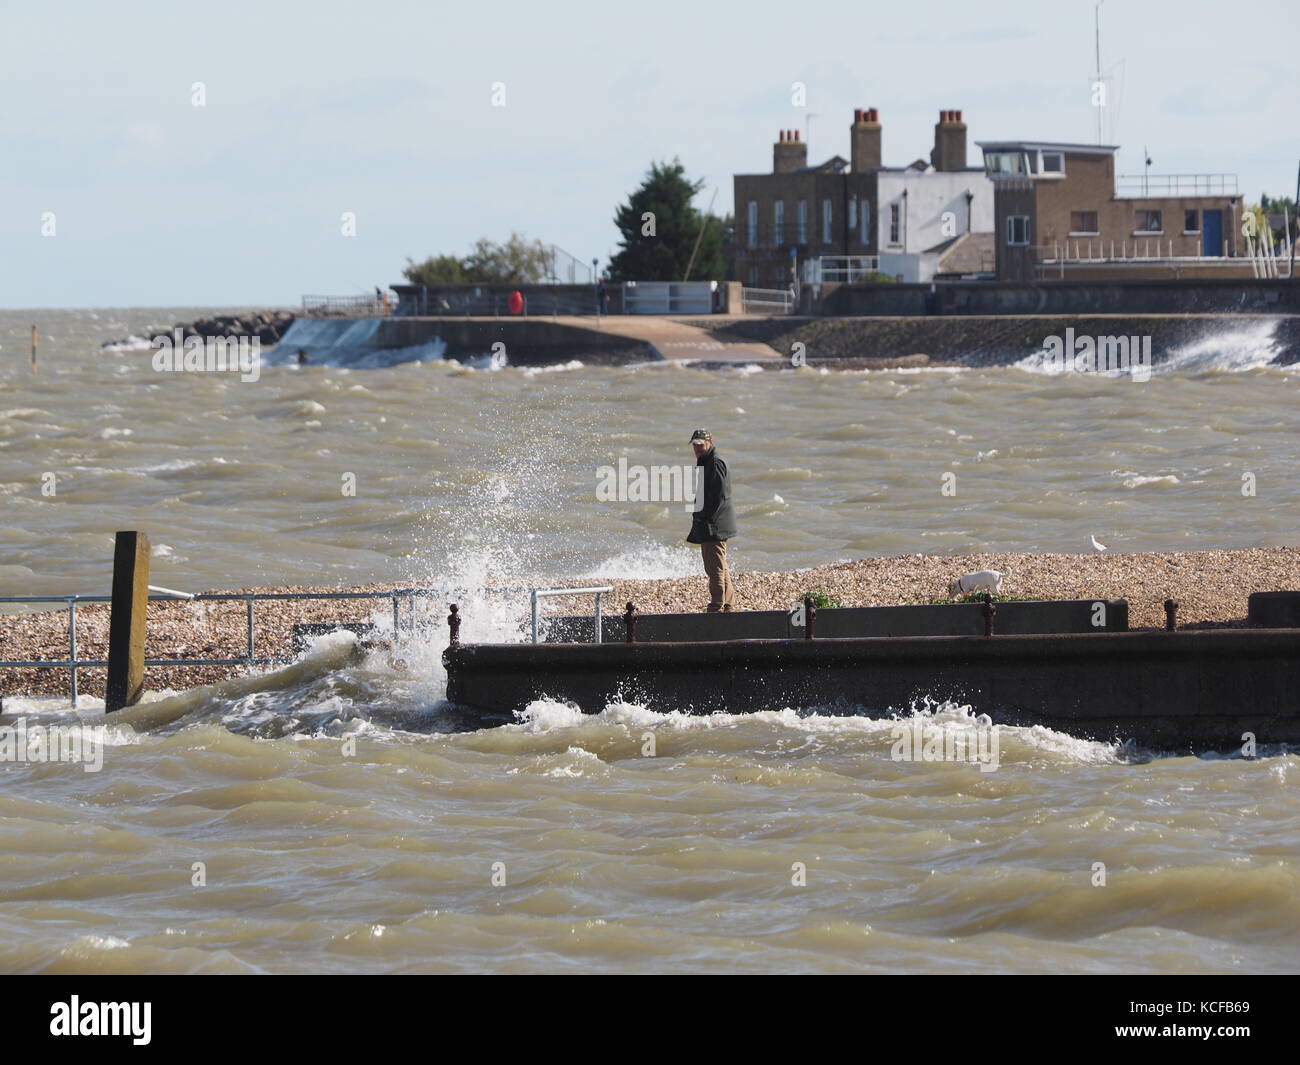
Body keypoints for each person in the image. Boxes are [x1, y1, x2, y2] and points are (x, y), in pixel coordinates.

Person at [686, 429, 737, 612]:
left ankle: (717, 606)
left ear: (710, 442)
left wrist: (705, 518)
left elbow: (719, 497)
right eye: (695, 445)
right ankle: (728, 605)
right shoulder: (707, 461)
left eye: (701, 444)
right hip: (715, 522)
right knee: (720, 565)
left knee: (714, 567)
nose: (698, 448)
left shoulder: (715, 463)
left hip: (714, 524)